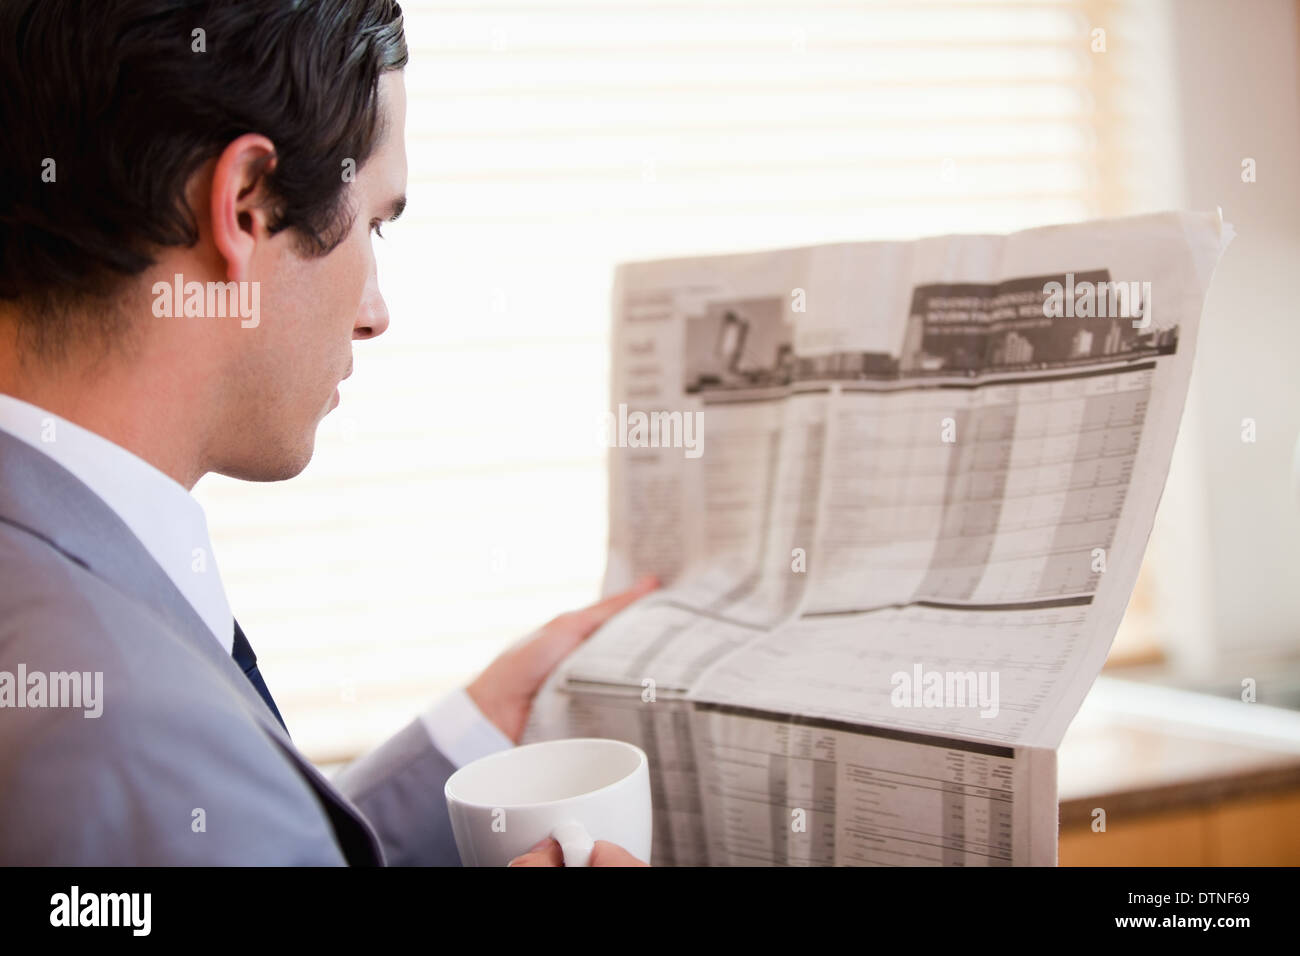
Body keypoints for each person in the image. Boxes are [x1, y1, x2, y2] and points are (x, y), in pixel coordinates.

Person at [0, 0, 653, 866]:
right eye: (375, 223)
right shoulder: (133, 738)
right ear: (243, 205)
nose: (375, 314)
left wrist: (477, 727)